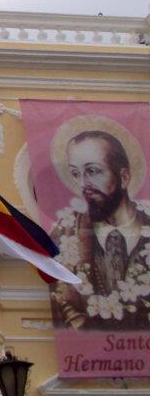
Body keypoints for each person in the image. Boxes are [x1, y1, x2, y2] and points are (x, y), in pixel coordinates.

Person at [49, 130, 150, 329]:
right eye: (76, 174)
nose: (83, 184)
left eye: (93, 171)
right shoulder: (64, 236)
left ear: (124, 177)